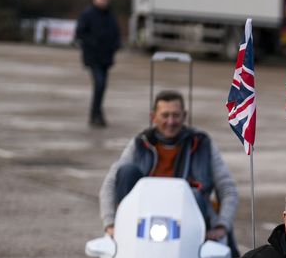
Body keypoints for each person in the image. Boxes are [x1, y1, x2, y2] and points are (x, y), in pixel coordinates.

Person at [99, 90, 238, 242]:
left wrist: (222, 226)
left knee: (195, 195)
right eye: (165, 115)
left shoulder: (203, 143)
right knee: (126, 171)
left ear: (184, 116)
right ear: (153, 117)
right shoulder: (140, 143)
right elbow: (110, 183)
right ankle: (123, 238)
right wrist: (110, 223)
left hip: (190, 224)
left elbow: (227, 188)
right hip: (143, 219)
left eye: (176, 115)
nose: (171, 122)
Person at [75, 0, 121, 128]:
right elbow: (80, 33)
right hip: (93, 57)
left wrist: (115, 45)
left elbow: (116, 33)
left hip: (106, 57)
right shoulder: (88, 14)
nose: (104, 1)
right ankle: (95, 114)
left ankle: (97, 114)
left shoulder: (110, 16)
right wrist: (92, 43)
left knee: (102, 87)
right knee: (99, 84)